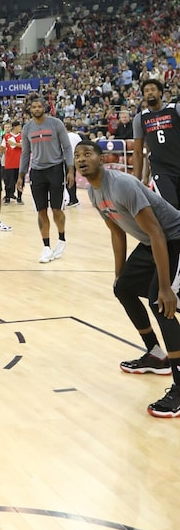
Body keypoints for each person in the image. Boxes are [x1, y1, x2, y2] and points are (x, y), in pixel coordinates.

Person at [74, 139, 180, 418]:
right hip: (152, 242)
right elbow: (116, 231)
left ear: (102, 159)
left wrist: (166, 288)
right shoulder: (94, 193)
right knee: (123, 289)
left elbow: (158, 232)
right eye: (77, 156)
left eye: (87, 154)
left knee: (162, 303)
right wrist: (120, 274)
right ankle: (156, 355)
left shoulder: (122, 184)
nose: (81, 159)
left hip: (174, 238)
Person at [17, 96, 75, 263]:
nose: (36, 109)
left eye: (39, 106)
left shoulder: (56, 124)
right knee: (41, 211)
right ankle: (46, 247)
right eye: (33, 106)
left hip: (56, 169)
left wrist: (70, 170)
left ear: (44, 107)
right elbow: (25, 153)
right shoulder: (27, 128)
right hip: (37, 172)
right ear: (30, 109)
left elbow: (67, 148)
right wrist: (21, 175)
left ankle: (62, 239)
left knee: (57, 209)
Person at [132, 78, 180, 207]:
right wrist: (137, 179)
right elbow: (137, 152)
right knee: (171, 206)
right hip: (161, 169)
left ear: (160, 93)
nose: (149, 93)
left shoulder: (175, 109)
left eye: (153, 89)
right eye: (146, 91)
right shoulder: (140, 118)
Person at [3, 120, 23, 204]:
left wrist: (14, 143)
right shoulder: (6, 136)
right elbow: (2, 147)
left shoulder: (21, 137)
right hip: (9, 163)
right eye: (19, 126)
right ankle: (7, 197)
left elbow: (23, 146)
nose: (20, 128)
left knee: (19, 181)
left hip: (19, 163)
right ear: (15, 127)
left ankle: (19, 197)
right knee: (8, 181)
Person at [64, 118, 81, 207]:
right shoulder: (77, 136)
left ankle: (73, 199)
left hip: (67, 160)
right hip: (76, 159)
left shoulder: (65, 136)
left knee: (68, 180)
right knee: (72, 179)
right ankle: (73, 198)